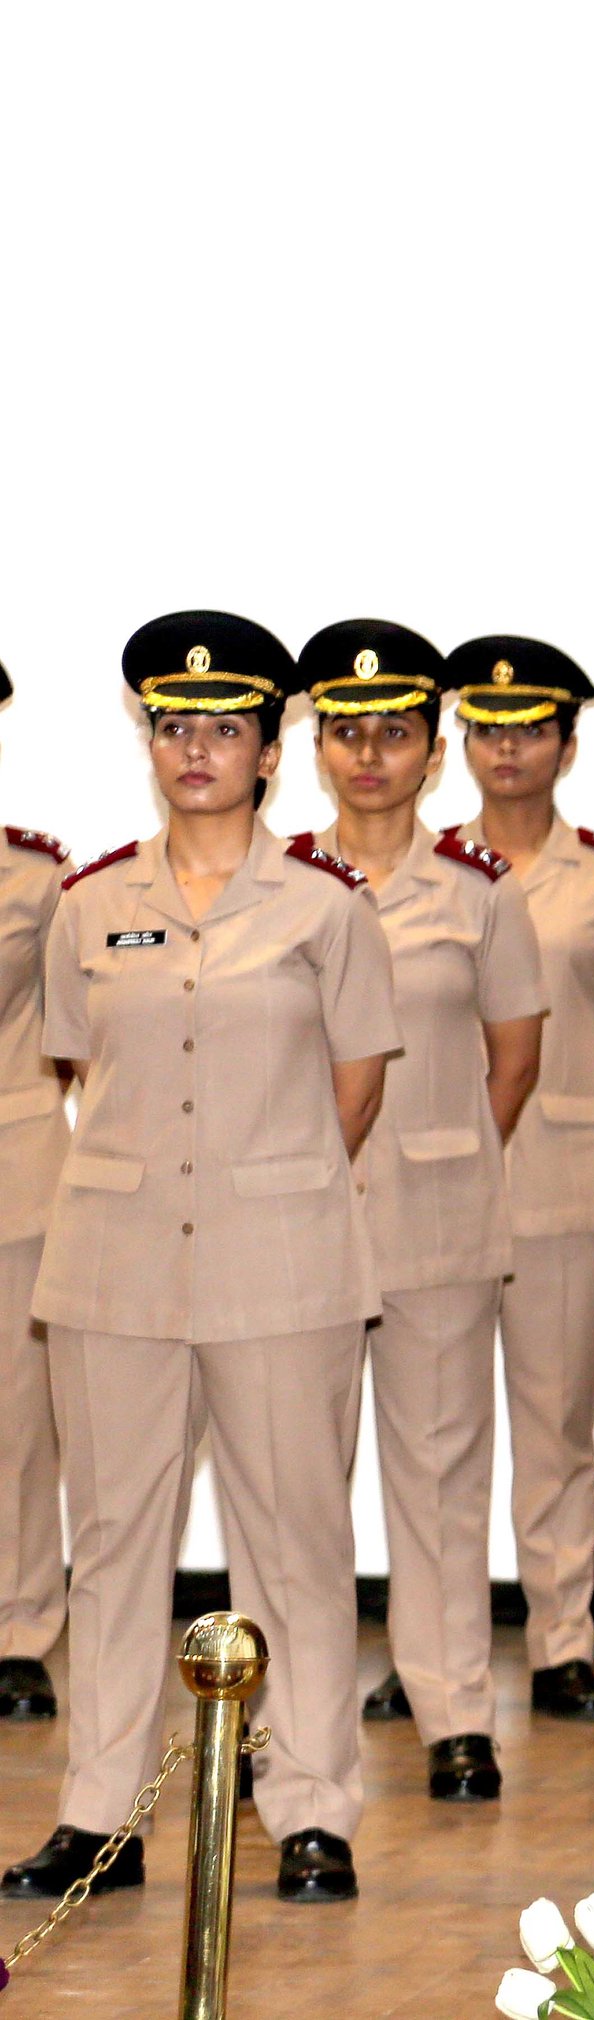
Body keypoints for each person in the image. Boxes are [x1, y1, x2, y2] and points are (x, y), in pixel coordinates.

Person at [3, 612, 401, 1905]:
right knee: (114, 1541)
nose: (196, 749)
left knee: (292, 1538)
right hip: (114, 1259)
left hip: (282, 1259)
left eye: (224, 726)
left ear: (269, 750)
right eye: (175, 724)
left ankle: (310, 1810)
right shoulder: (87, 904)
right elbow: (81, 1066)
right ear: (149, 737)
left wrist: (254, 1183)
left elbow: (355, 1087)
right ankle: (100, 1819)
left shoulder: (324, 910)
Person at [304, 620, 546, 1801]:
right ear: (312, 746)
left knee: (444, 1476)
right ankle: (285, 1724)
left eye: (392, 733)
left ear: (432, 753)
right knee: (292, 1479)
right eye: (345, 731)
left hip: (440, 1218)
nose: (367, 756)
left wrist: (450, 1155)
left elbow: (513, 1056)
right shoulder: (282, 886)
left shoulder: (478, 895)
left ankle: (454, 1713)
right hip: (289, 1227)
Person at [445, 634, 594, 1722]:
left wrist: (573, 1131)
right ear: (461, 743)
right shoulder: (424, 872)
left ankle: (560, 1644)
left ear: (567, 746)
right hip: (431, 1190)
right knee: (430, 1433)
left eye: (530, 726)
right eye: (487, 727)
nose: (507, 746)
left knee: (555, 1430)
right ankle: (430, 1650)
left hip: (567, 1183)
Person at [0, 657, 71, 1725]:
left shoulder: (37, 881)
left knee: (18, 1416)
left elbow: (80, 1046)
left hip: (12, 1168)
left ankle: (15, 1632)